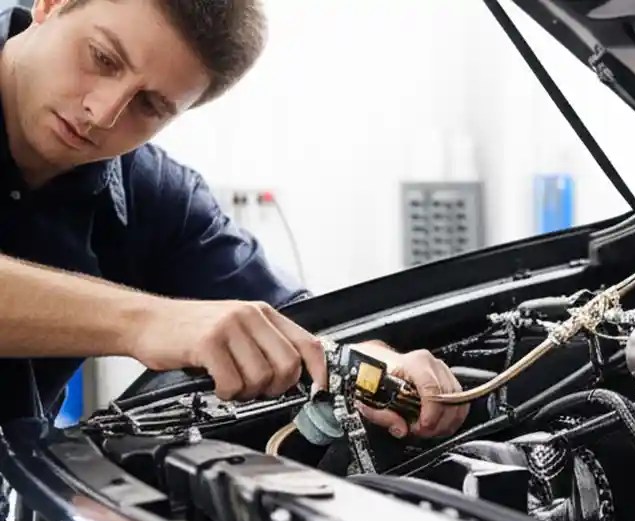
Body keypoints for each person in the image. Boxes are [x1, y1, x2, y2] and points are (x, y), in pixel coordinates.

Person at [0, 0, 467, 438]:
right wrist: (147, 323)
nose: (102, 114)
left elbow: (295, 322)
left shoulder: (156, 195)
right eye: (103, 58)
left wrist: (371, 362)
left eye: (150, 106)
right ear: (50, 3)